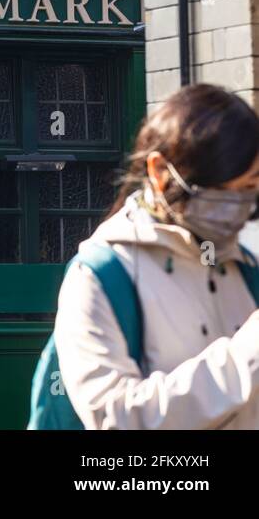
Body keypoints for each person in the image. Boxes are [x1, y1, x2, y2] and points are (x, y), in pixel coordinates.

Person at [53, 83, 259, 429]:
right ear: (160, 173)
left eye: (251, 189)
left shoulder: (246, 267)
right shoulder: (102, 275)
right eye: (221, 190)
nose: (237, 207)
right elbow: (115, 417)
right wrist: (247, 358)